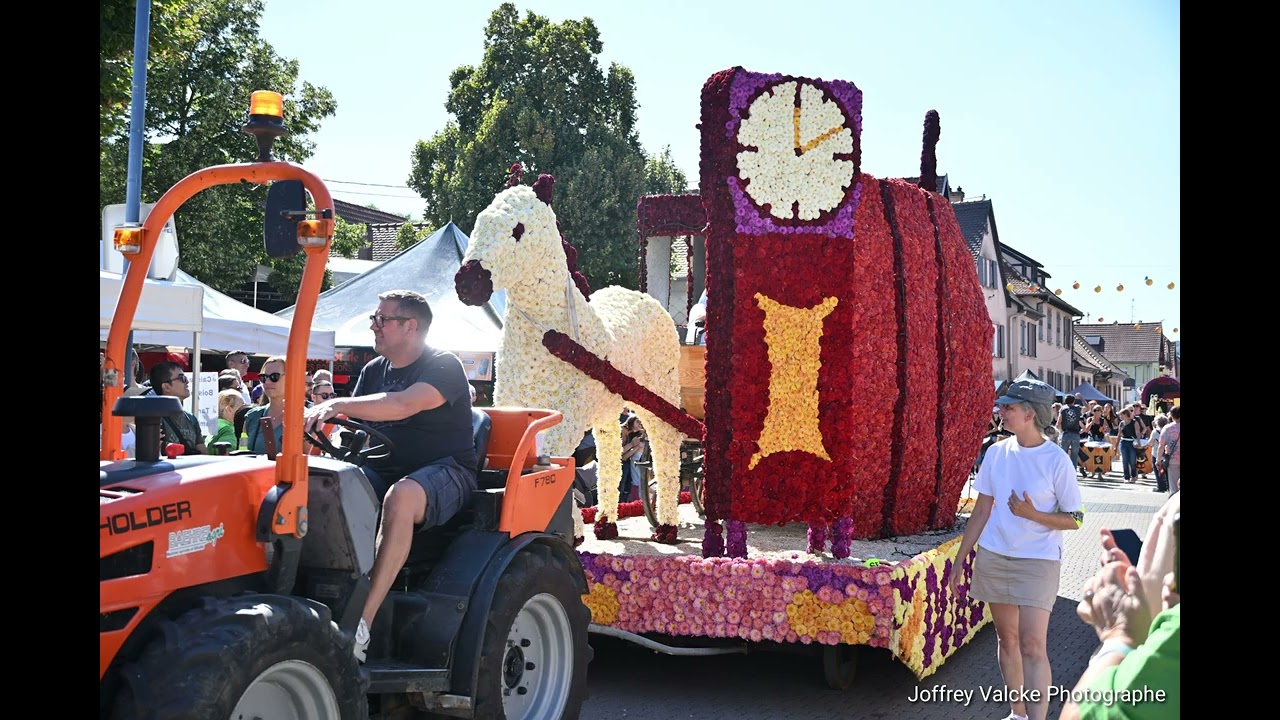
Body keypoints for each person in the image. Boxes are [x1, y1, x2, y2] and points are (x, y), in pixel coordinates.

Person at [302, 289, 476, 663]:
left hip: (447, 471)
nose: (373, 326)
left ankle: (361, 625)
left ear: (410, 326)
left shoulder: (444, 365)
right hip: (383, 467)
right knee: (322, 485)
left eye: (381, 319)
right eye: (374, 318)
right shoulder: (373, 370)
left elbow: (402, 405)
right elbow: (352, 429)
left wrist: (339, 403)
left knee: (401, 496)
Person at [946, 378, 1084, 720]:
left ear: (1030, 414)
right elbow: (981, 510)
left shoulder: (1056, 460)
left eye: (1009, 407)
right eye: (1002, 406)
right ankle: (1017, 713)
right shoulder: (995, 452)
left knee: (1032, 645)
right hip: (995, 555)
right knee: (1006, 640)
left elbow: (1077, 519)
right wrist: (961, 557)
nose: (1001, 411)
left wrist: (1032, 514)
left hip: (1038, 560)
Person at [149, 361, 207, 456]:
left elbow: (203, 455)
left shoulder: (191, 418)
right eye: (182, 378)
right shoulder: (153, 419)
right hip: (168, 470)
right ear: (166, 387)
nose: (187, 381)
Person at [244, 355, 287, 455]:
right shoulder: (252, 416)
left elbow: (312, 463)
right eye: (263, 377)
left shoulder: (306, 418)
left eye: (274, 377)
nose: (267, 382)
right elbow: (243, 453)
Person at [1057, 395, 1085, 477]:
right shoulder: (1078, 408)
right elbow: (1087, 408)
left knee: (1063, 455)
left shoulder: (1062, 409)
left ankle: (1063, 472)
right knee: (1074, 455)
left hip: (1065, 433)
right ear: (1073, 401)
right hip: (1075, 434)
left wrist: (1058, 432)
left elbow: (1059, 422)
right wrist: (1081, 398)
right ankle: (1073, 474)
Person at [1156, 406, 1180, 494]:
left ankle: (1175, 506)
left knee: (1174, 487)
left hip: (1173, 460)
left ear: (1172, 416)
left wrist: (1158, 460)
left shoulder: (1167, 428)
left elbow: (1161, 445)